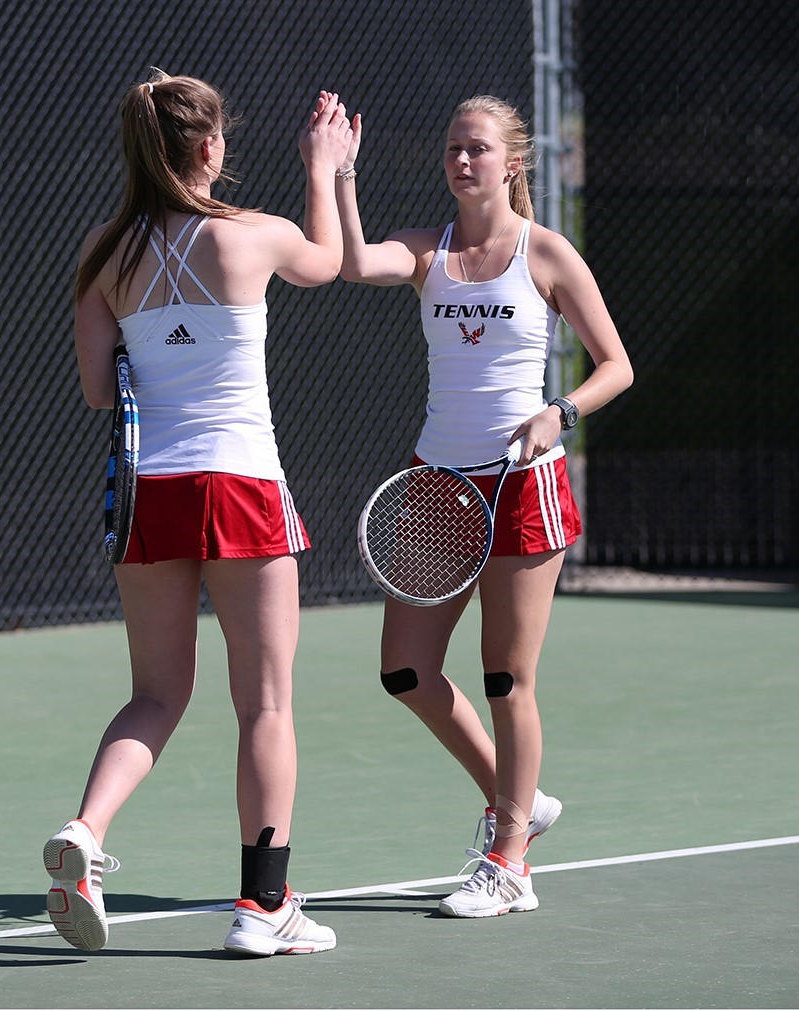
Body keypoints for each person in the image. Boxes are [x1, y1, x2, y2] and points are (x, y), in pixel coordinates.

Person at [47, 71, 352, 956]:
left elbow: (97, 389)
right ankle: (264, 908)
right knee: (265, 704)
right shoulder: (254, 235)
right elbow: (329, 261)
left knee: (154, 693)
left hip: (151, 494)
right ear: (210, 147)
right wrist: (325, 165)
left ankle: (85, 831)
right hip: (241, 484)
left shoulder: (103, 250)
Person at [334, 95, 633, 916]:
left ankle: (510, 864)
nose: (462, 160)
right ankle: (519, 799)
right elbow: (354, 262)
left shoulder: (547, 253)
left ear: (513, 163)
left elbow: (616, 365)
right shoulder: (425, 250)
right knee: (405, 670)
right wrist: (342, 173)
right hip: (438, 484)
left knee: (507, 678)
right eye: (453, 148)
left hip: (523, 486)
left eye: (478, 148)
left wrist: (559, 411)